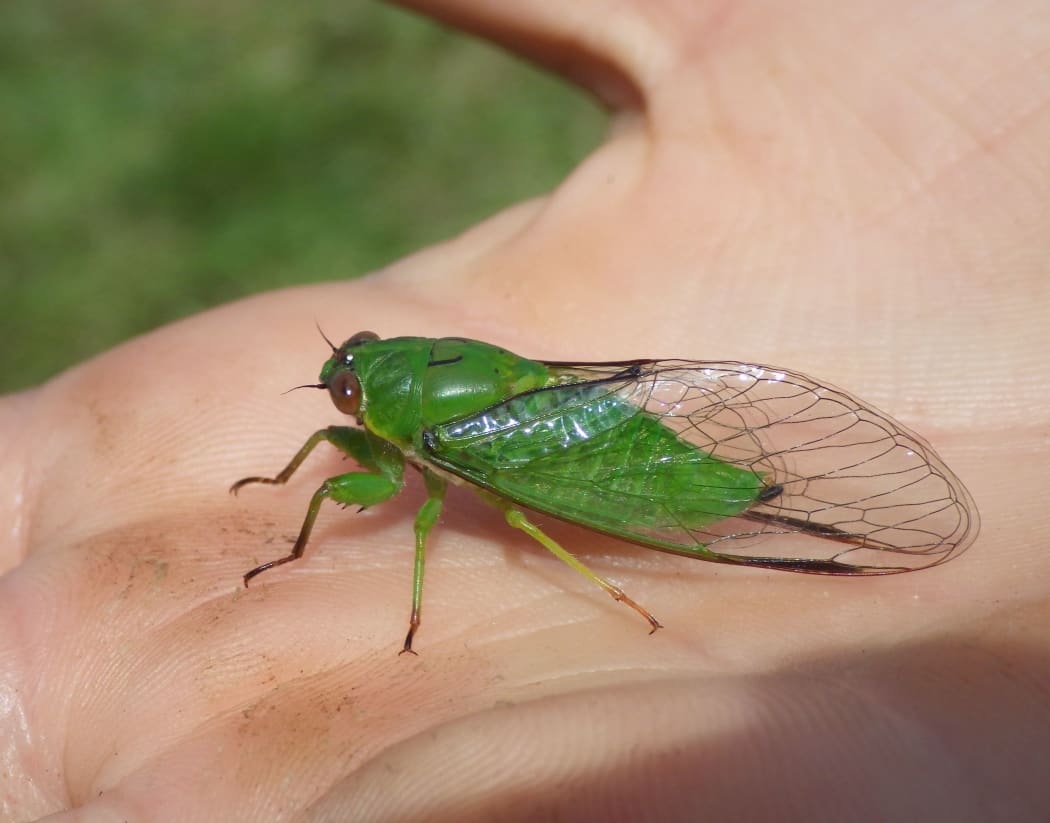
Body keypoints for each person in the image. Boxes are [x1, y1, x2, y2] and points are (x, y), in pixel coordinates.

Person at [2, 1, 1045, 820]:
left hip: (565, 449)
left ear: (380, 404)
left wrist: (457, 606)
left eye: (353, 385)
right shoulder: (379, 410)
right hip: (561, 400)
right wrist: (287, 490)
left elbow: (433, 516)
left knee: (512, 511)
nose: (344, 396)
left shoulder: (411, 447)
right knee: (419, 476)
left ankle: (703, 518)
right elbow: (337, 434)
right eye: (350, 382)